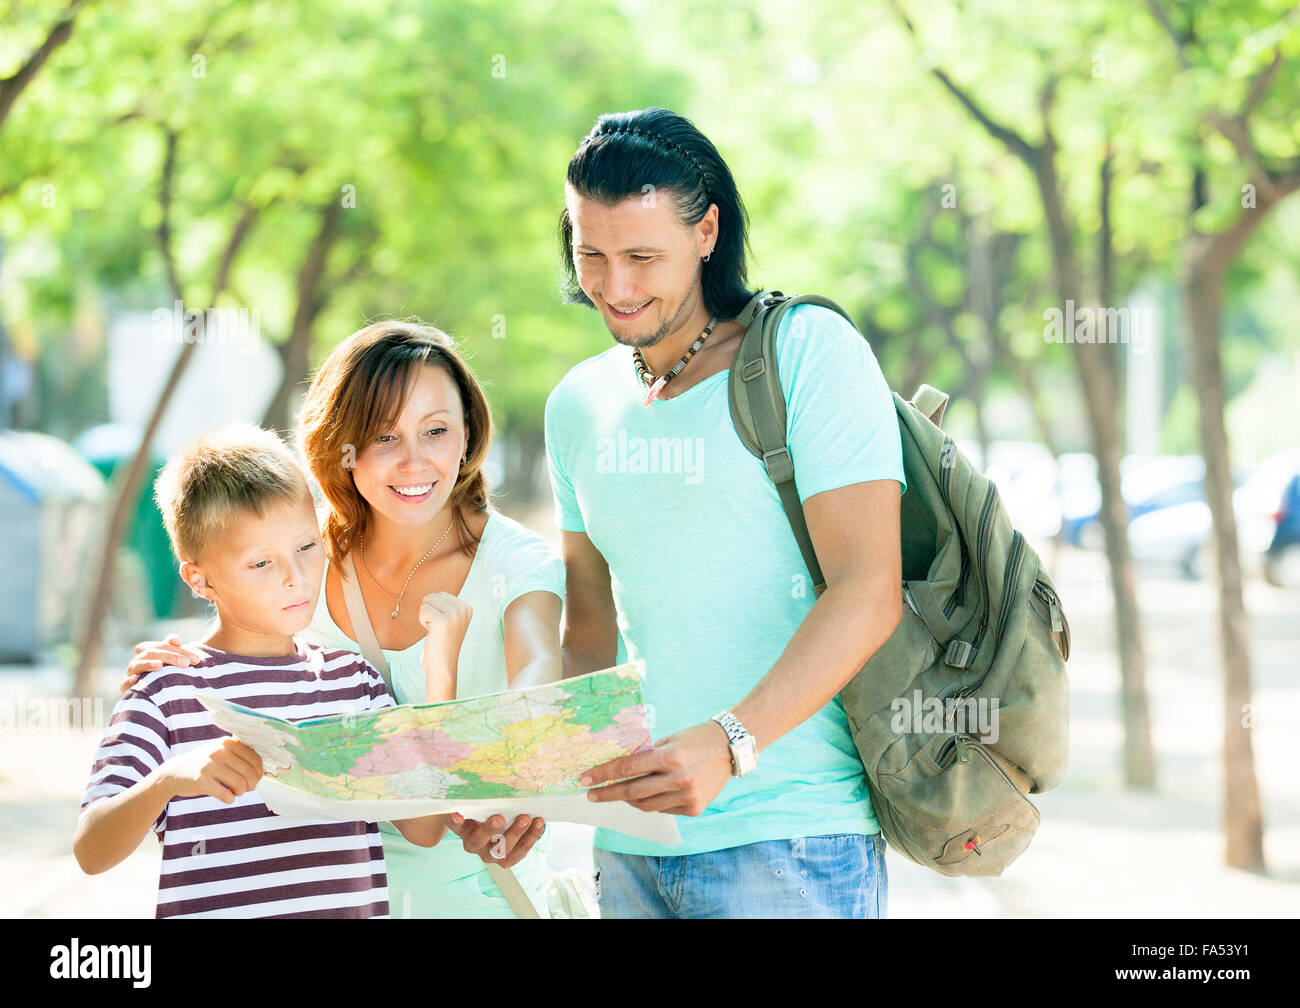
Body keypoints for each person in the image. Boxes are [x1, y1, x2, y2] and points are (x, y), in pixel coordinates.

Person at [545, 107, 907, 918]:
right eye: (591, 255)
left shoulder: (807, 352)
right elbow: (591, 641)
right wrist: (515, 787)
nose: (616, 286)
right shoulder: (577, 405)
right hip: (627, 851)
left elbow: (868, 588)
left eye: (643, 256)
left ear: (707, 231)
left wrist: (729, 742)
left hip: (791, 844)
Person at [123, 322, 566, 918]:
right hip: (323, 895)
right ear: (343, 449)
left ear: (468, 434)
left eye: (436, 431)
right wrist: (179, 667)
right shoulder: (303, 557)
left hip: (479, 893)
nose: (414, 461)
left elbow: (537, 665)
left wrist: (516, 788)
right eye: (384, 438)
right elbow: (239, 643)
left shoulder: (514, 560)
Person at [75, 423, 449, 918]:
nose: (295, 578)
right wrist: (168, 778)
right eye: (260, 564)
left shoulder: (353, 682)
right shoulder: (168, 690)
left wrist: (439, 666)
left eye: (305, 547)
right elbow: (91, 851)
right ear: (200, 579)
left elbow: (425, 829)